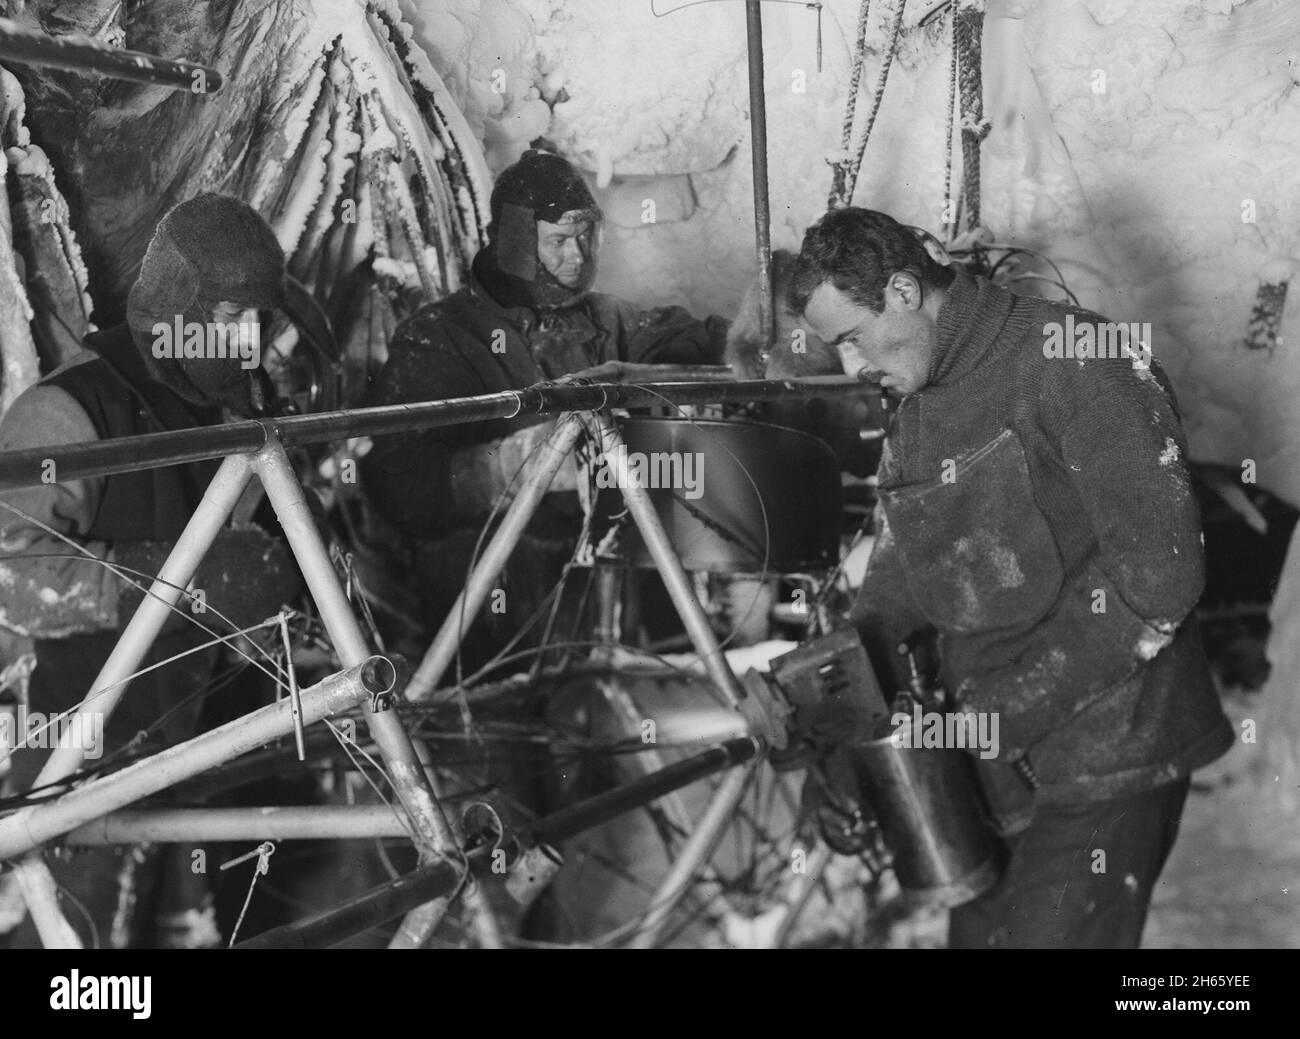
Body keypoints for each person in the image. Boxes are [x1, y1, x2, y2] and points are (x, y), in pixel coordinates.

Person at [786, 206, 1234, 949]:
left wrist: (1011, 706)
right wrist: (835, 731)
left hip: (1110, 751)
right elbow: (899, 587)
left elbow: (1161, 577)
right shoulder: (919, 406)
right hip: (996, 763)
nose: (849, 366)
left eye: (850, 337)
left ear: (903, 291)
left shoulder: (1073, 356)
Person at [0, 193, 300, 948]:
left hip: (204, 749)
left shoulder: (236, 418)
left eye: (259, 321)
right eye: (230, 316)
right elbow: (10, 570)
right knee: (83, 966)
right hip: (80, 758)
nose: (249, 341)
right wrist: (178, 583)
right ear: (175, 304)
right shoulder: (69, 410)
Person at [362, 148, 729, 670]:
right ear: (514, 244)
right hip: (495, 592)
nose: (578, 257)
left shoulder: (610, 320)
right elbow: (400, 488)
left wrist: (761, 335)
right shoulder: (438, 337)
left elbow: (694, 344)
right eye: (558, 240)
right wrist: (516, 463)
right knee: (510, 712)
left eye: (585, 236)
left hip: (602, 583)